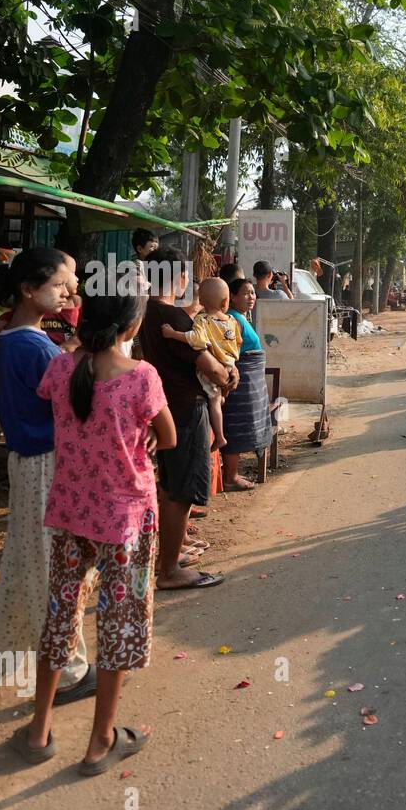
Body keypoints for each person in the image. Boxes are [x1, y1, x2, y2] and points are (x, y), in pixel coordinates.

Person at [18, 282, 175, 775]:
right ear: (130, 328)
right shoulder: (140, 376)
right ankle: (101, 740)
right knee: (119, 621)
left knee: (61, 614)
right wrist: (143, 434)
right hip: (125, 517)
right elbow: (167, 437)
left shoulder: (61, 368)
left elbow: (56, 401)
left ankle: (39, 730)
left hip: (69, 513)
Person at [0, 248, 93, 702]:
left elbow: (2, 324)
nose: (69, 292)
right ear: (27, 288)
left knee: (24, 563)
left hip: (27, 463)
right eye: (61, 284)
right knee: (53, 568)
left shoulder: (18, 337)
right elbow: (81, 402)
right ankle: (69, 670)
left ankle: (0, 657)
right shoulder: (38, 348)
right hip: (47, 466)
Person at [138, 249, 235, 590]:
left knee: (168, 487)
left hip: (162, 406)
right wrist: (227, 376)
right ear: (179, 278)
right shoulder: (174, 319)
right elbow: (210, 366)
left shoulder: (145, 314)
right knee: (180, 492)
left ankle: (170, 556)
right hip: (185, 408)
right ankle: (169, 571)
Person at [159, 278, 242, 451]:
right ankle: (222, 396)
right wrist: (231, 362)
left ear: (201, 301)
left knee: (213, 401)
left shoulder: (202, 320)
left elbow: (197, 340)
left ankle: (220, 437)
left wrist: (173, 334)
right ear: (226, 301)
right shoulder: (232, 321)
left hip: (214, 368)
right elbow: (238, 342)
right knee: (219, 397)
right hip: (228, 362)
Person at [0, 254, 81, 378]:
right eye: (58, 285)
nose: (65, 292)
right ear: (27, 289)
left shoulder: (9, 339)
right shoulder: (43, 350)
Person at [219, 277, 272, 491]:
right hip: (241, 385)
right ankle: (230, 477)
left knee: (242, 426)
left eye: (252, 293)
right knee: (236, 427)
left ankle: (232, 474)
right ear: (232, 297)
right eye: (245, 293)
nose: (251, 297)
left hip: (250, 383)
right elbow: (229, 354)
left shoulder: (240, 317)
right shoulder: (233, 319)